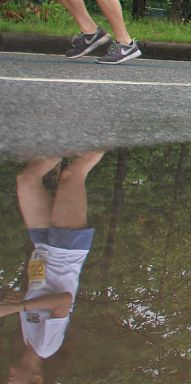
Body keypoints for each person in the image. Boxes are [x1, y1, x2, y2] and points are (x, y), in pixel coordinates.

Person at [4, 152, 104, 381]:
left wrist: (19, 298)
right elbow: (64, 301)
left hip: (43, 249)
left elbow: (40, 299)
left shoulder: (29, 341)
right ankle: (110, 125)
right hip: (64, 253)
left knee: (27, 179)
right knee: (73, 174)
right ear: (36, 379)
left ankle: (63, 134)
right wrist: (18, 306)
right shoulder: (46, 347)